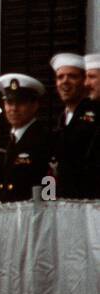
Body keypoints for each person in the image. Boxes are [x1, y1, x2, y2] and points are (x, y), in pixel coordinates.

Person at [50, 52, 99, 199]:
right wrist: (49, 200)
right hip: (62, 206)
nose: (65, 81)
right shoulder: (61, 120)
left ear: (83, 81)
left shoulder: (96, 115)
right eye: (60, 77)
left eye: (72, 76)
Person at [0, 73, 51, 201]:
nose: (14, 109)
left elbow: (50, 183)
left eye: (21, 103)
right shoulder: (9, 140)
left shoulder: (43, 140)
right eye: (9, 102)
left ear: (34, 105)